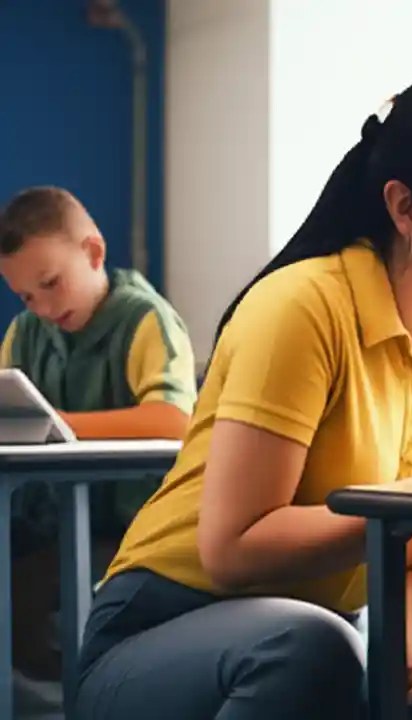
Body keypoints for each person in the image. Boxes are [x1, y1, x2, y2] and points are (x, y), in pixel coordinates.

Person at [75, 70, 412, 720]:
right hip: (161, 634)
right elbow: (234, 548)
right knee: (309, 647)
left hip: (327, 643)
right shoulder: (304, 305)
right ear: (406, 206)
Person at [0, 187, 196, 688]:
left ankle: (53, 695)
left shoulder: (145, 319)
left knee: (29, 589)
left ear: (93, 253)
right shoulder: (24, 335)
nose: (41, 307)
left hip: (130, 533)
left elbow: (174, 420)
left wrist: (59, 422)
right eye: (25, 296)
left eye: (50, 283)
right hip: (47, 523)